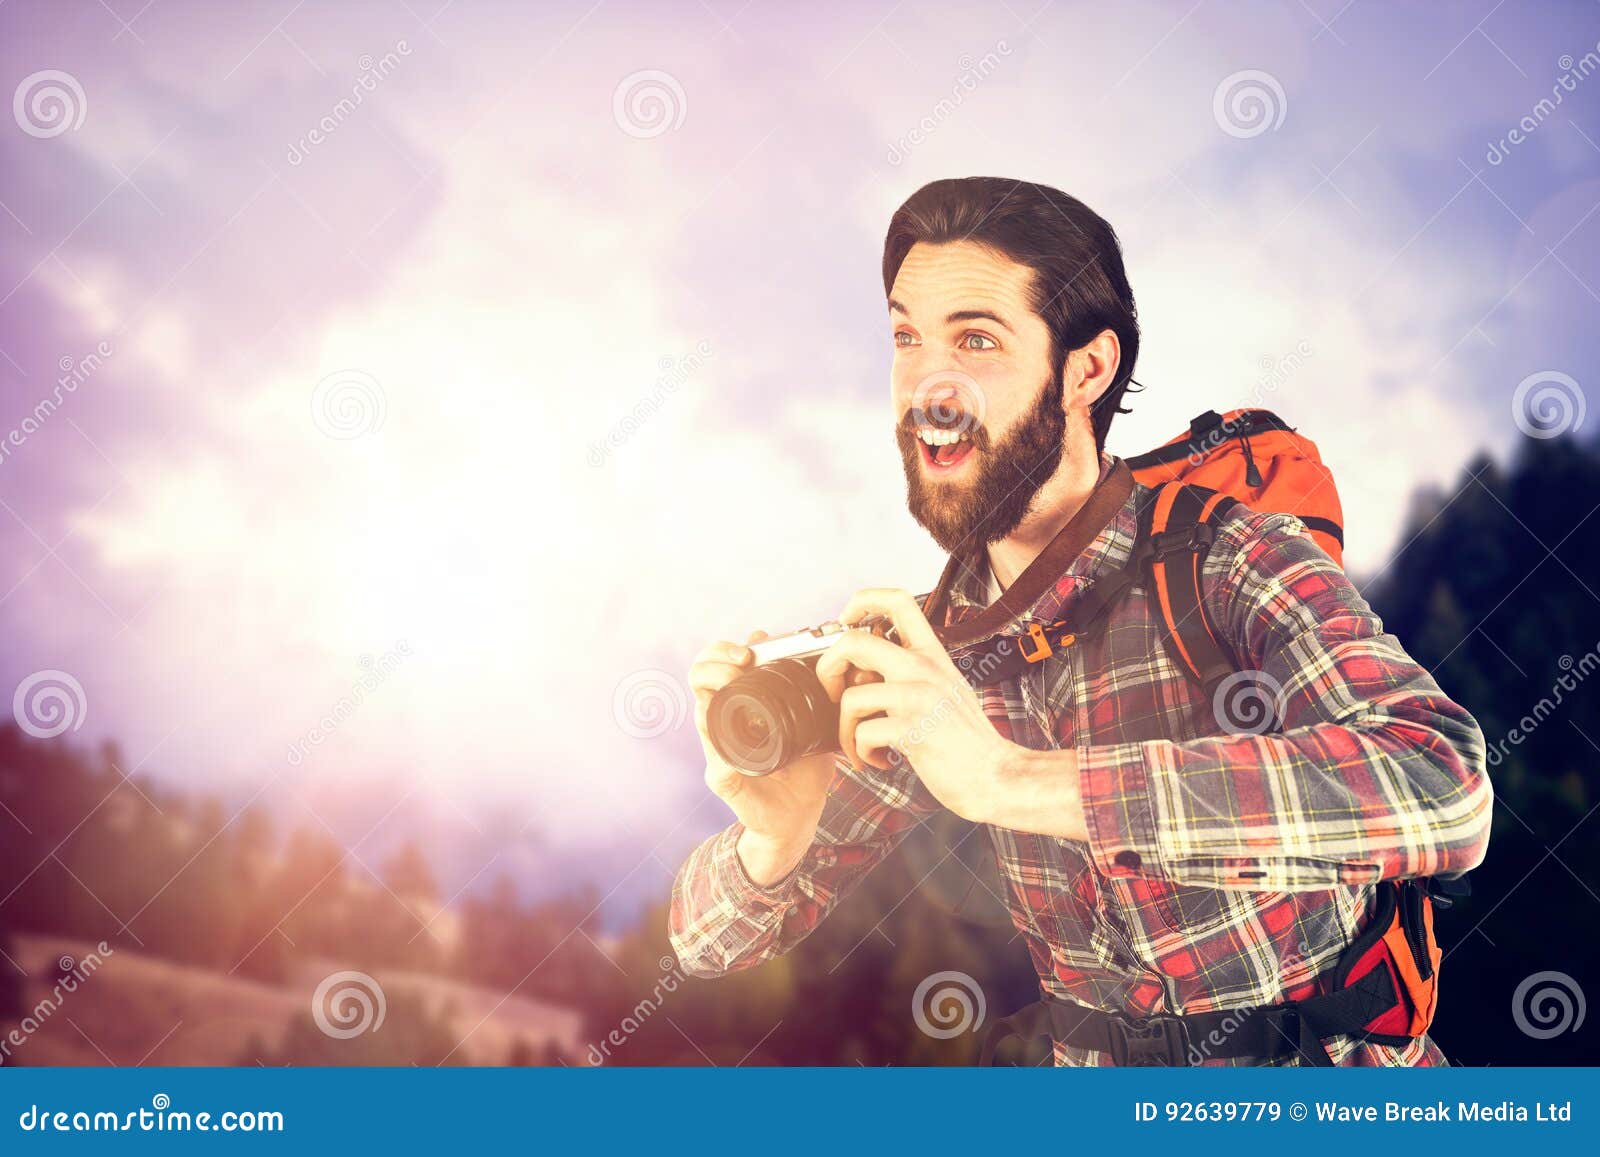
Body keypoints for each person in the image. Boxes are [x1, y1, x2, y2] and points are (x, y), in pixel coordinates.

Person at [668, 177, 1492, 1066]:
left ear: (1086, 369)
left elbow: (1443, 788)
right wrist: (775, 832)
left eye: (976, 339)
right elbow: (707, 944)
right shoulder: (927, 657)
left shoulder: (1231, 558)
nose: (926, 387)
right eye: (907, 338)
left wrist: (1014, 779)